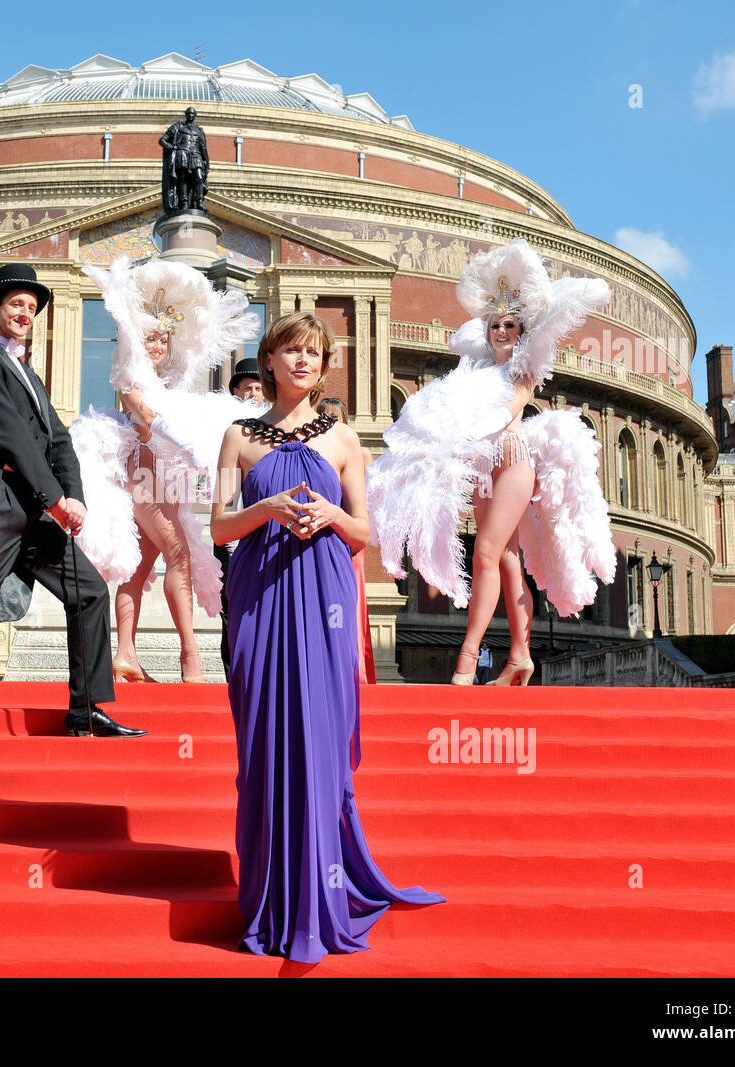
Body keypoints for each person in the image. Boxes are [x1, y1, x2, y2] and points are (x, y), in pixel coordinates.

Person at [211, 310, 444, 963]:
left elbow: (364, 533)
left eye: (314, 353)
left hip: (323, 601)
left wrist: (332, 512)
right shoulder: (236, 436)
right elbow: (218, 529)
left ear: (324, 363)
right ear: (271, 360)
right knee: (261, 747)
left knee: (318, 743)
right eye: (291, 351)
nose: (303, 362)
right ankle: (266, 902)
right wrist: (267, 509)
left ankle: (318, 895)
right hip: (258, 599)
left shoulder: (343, 439)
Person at [0, 263, 146, 768]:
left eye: (32, 308)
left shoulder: (28, 372)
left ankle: (85, 712)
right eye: (16, 303)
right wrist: (54, 498)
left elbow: (57, 439)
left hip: (36, 512)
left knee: (88, 591)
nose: (25, 313)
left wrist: (74, 495)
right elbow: (9, 439)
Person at [366, 238, 616, 686]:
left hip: (513, 461)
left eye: (510, 325)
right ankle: (520, 655)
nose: (501, 331)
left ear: (523, 331)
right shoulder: (472, 372)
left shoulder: (523, 368)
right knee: (504, 557)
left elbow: (509, 409)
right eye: (495, 324)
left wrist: (480, 434)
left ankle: (466, 658)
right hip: (483, 466)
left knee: (483, 550)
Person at [70, 257, 258, 683]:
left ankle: (126, 657)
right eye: (149, 338)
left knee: (140, 568)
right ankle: (191, 657)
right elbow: (150, 421)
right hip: (144, 479)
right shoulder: (129, 378)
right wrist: (196, 448)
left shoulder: (169, 386)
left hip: (166, 484)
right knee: (181, 557)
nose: (156, 346)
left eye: (163, 340)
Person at [316, 396, 377, 685]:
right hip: (320, 536)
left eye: (336, 417)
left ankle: (355, 673)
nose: (331, 423)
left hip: (349, 536)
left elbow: (366, 501)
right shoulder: (312, 450)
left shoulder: (360, 454)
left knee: (349, 605)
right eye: (325, 417)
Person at [214, 357, 265, 677]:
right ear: (235, 391)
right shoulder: (220, 426)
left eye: (259, 388)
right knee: (231, 607)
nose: (254, 394)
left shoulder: (273, 428)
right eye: (248, 388)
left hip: (264, 532)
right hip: (231, 527)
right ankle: (234, 671)